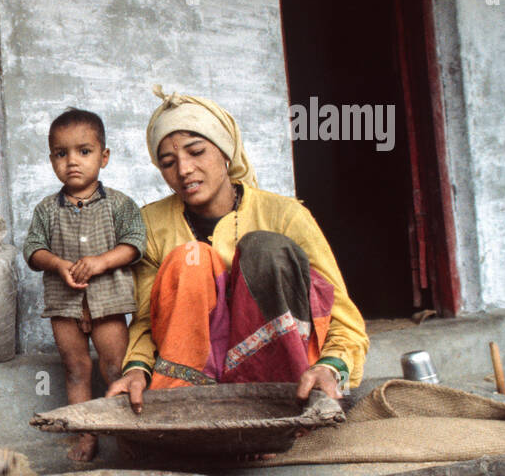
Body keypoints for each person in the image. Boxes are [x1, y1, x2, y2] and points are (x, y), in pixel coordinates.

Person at [107, 86, 369, 414]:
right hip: (194, 392)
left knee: (265, 248)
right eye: (168, 162)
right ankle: (187, 405)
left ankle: (279, 407)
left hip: (280, 385)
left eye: (196, 151)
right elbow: (146, 319)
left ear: (225, 151)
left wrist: (330, 369)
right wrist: (135, 370)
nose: (184, 169)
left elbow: (344, 319)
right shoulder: (152, 224)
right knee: (191, 258)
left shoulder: (286, 215)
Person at [22, 109, 146, 462]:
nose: (72, 161)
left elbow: (136, 243)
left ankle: (127, 436)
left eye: (84, 151)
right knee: (76, 369)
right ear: (51, 160)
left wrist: (101, 262)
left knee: (115, 368)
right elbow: (33, 249)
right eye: (61, 154)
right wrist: (58, 264)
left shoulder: (121, 204)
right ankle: (86, 433)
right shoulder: (47, 209)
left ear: (103, 157)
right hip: (65, 304)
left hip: (108, 304)